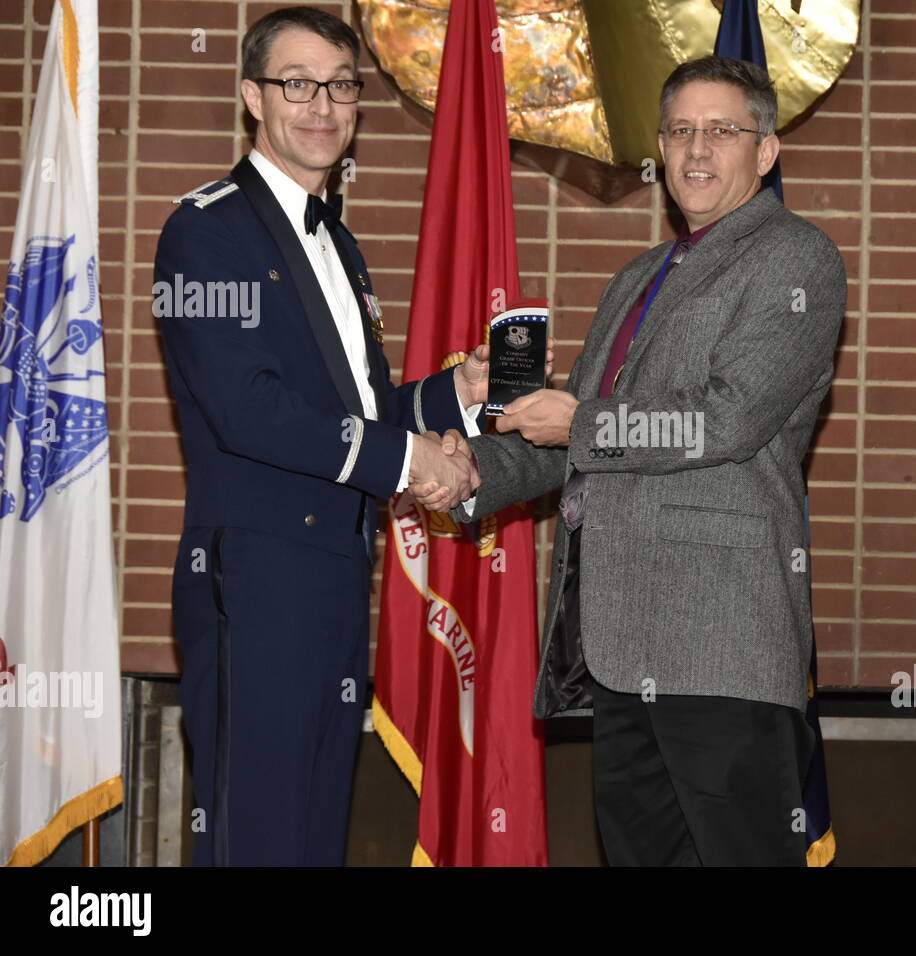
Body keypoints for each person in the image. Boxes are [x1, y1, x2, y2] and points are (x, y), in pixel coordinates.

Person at [427, 55, 845, 866]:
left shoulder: (796, 259)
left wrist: (579, 422)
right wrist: (467, 470)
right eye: (681, 130)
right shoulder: (638, 278)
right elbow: (566, 447)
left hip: (721, 649)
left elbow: (724, 419)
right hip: (619, 651)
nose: (696, 149)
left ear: (765, 153)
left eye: (722, 130)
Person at [155, 6, 482, 866]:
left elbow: (360, 410)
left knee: (310, 837)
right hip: (256, 574)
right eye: (297, 83)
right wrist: (411, 459)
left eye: (341, 85)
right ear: (251, 98)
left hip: (336, 572)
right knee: (256, 834)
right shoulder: (207, 228)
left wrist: (459, 394)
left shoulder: (338, 241)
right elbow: (250, 409)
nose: (322, 105)